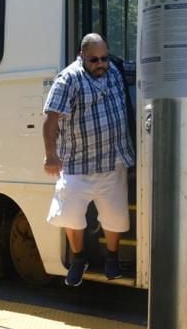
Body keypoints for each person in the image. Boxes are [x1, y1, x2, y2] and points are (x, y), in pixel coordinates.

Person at [43, 33, 135, 286]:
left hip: (112, 160)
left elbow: (143, 69)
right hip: (77, 165)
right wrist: (51, 155)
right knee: (71, 216)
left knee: (115, 216)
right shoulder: (68, 79)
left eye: (104, 58)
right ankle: (78, 258)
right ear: (82, 56)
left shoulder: (114, 69)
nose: (101, 64)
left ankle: (112, 258)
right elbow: (50, 119)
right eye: (94, 60)